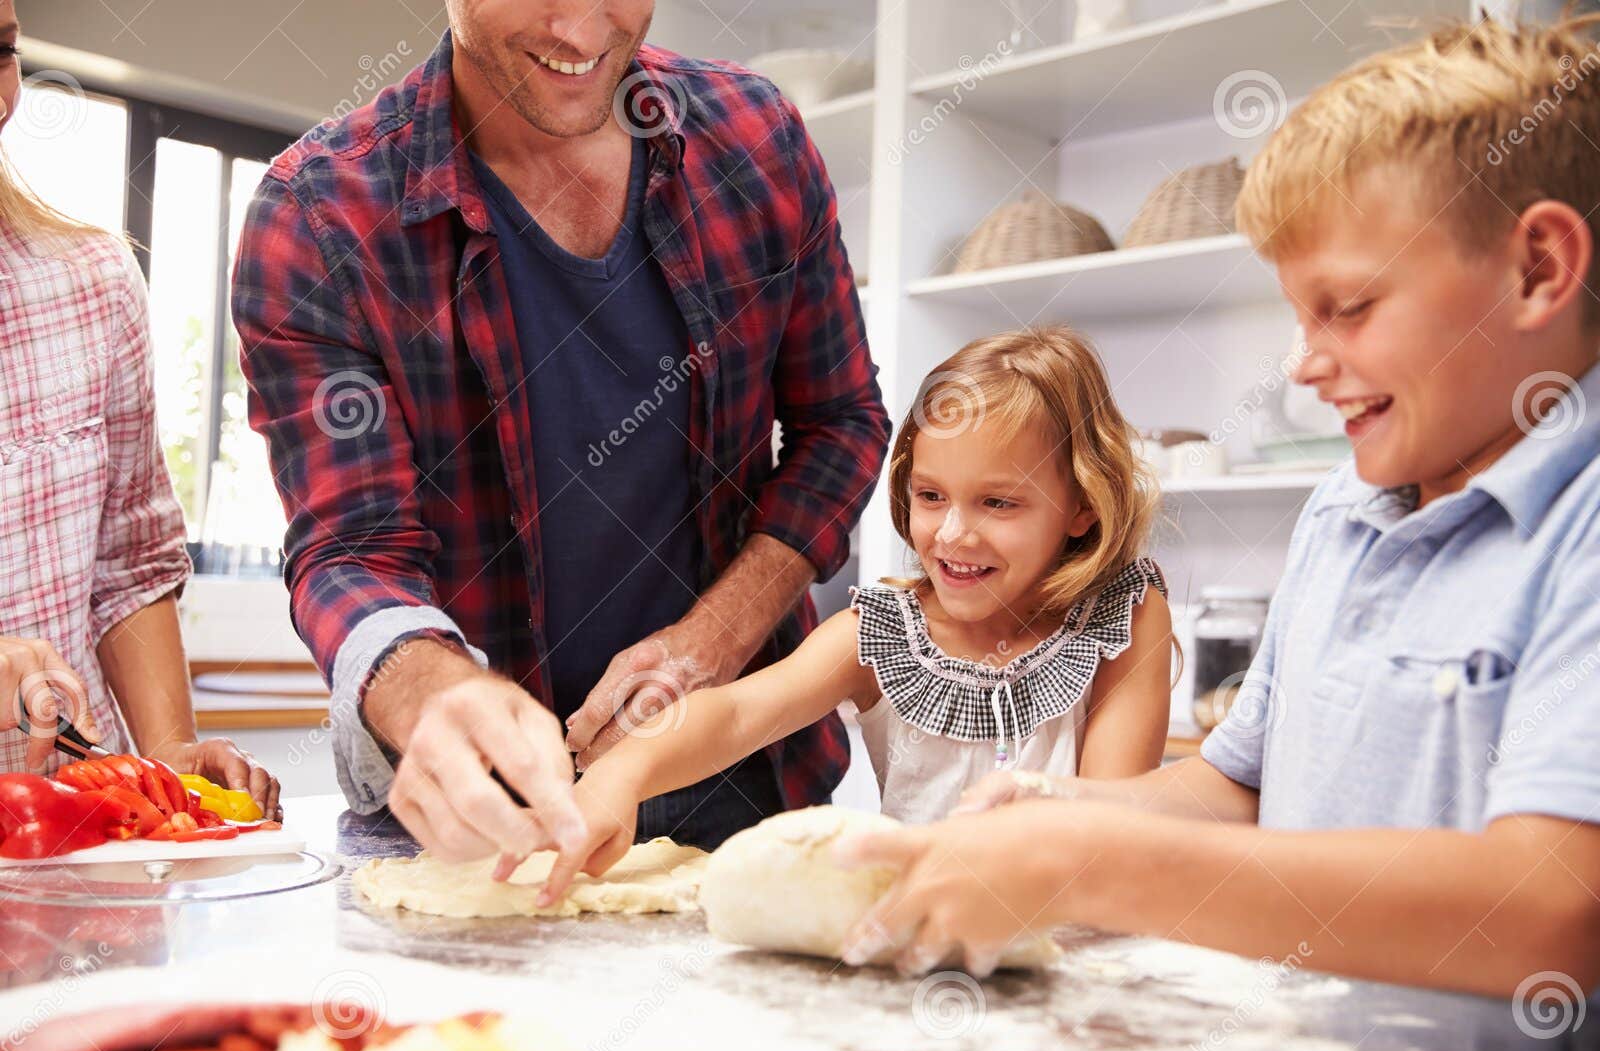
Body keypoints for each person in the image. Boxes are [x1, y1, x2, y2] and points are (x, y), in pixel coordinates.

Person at [828, 15, 1600, 994]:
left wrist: (1092, 863)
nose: (1303, 364)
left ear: (1537, 268)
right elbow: (1236, 785)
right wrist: (1058, 815)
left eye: (1349, 307)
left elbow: (1550, 911)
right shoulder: (1344, 510)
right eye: (1297, 314)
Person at [232, 0, 887, 878]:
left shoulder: (756, 139)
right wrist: (429, 689)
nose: (579, 34)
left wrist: (715, 637)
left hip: (745, 782)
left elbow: (841, 425)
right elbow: (351, 549)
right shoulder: (319, 215)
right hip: (479, 820)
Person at [548, 327, 1173, 900]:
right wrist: (622, 774)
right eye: (931, 496)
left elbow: (1107, 827)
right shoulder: (881, 634)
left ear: (1082, 507)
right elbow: (737, 713)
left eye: (998, 503)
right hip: (914, 935)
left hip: (1073, 932)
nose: (952, 534)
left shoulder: (1125, 617)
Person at [0, 0, 278, 816]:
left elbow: (128, 568)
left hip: (85, 846)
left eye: (1, 52)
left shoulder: (92, 284)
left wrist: (169, 762)